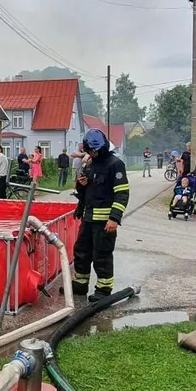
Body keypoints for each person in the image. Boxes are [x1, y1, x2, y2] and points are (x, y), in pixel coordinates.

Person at [71, 129, 129, 302]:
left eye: (96, 150)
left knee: (101, 255)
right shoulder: (90, 163)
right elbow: (88, 191)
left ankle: (103, 290)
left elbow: (122, 193)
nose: (93, 153)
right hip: (88, 218)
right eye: (91, 151)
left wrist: (114, 218)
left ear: (103, 146)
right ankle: (80, 285)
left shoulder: (115, 164)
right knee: (81, 251)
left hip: (105, 221)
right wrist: (82, 186)